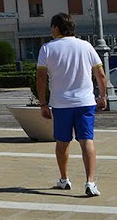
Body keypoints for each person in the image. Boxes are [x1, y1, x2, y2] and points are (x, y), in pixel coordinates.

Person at [36, 12, 108, 197]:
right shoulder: (86, 46)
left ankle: (64, 179)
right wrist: (103, 96)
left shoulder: (47, 49)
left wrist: (43, 103)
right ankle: (90, 182)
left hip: (61, 104)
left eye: (52, 27)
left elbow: (41, 78)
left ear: (56, 27)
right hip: (85, 102)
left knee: (62, 143)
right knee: (87, 141)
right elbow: (100, 75)